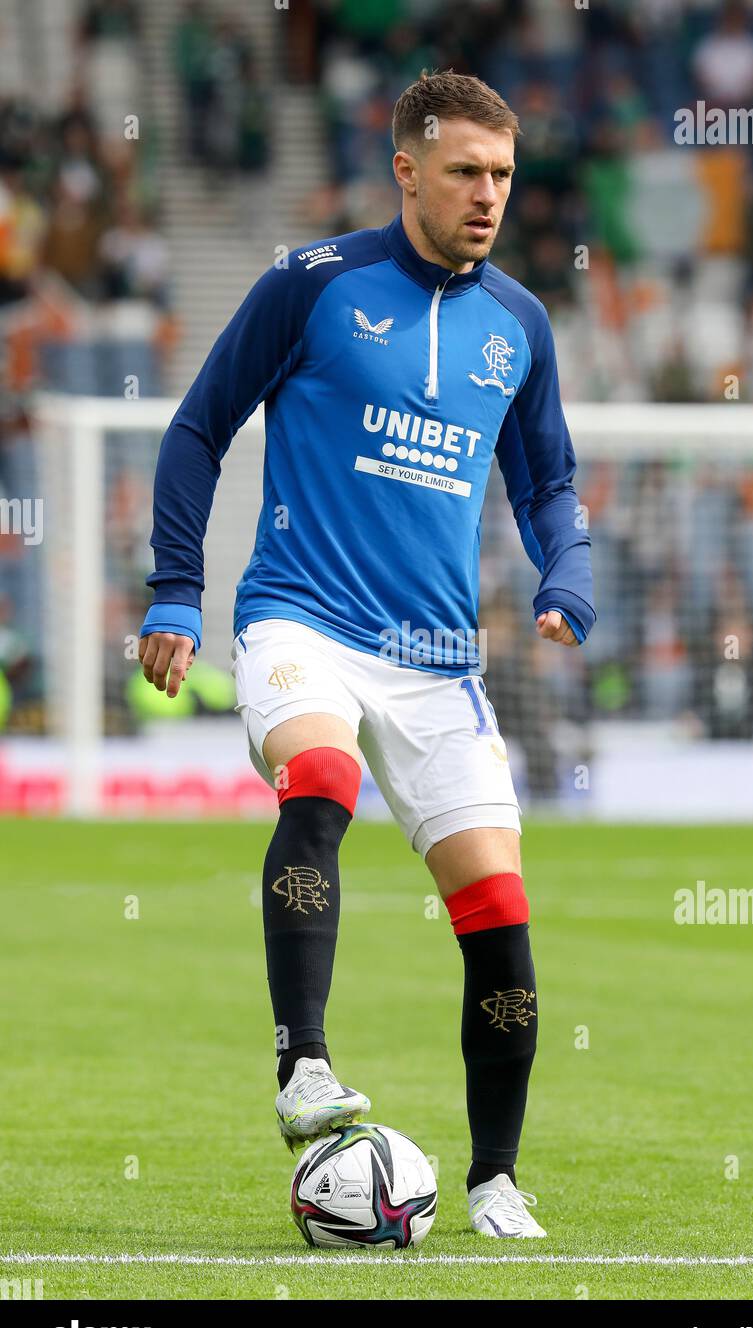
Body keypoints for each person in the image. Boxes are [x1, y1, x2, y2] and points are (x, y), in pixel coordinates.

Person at [138, 69, 595, 1240]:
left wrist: (567, 569)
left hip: (437, 655)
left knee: (496, 905)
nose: (488, 194)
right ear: (406, 169)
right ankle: (305, 1064)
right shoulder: (313, 285)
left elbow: (544, 478)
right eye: (463, 172)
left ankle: (494, 1177)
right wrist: (179, 592)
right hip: (300, 618)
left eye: (501, 173)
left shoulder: (521, 327)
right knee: (322, 782)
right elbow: (198, 427)